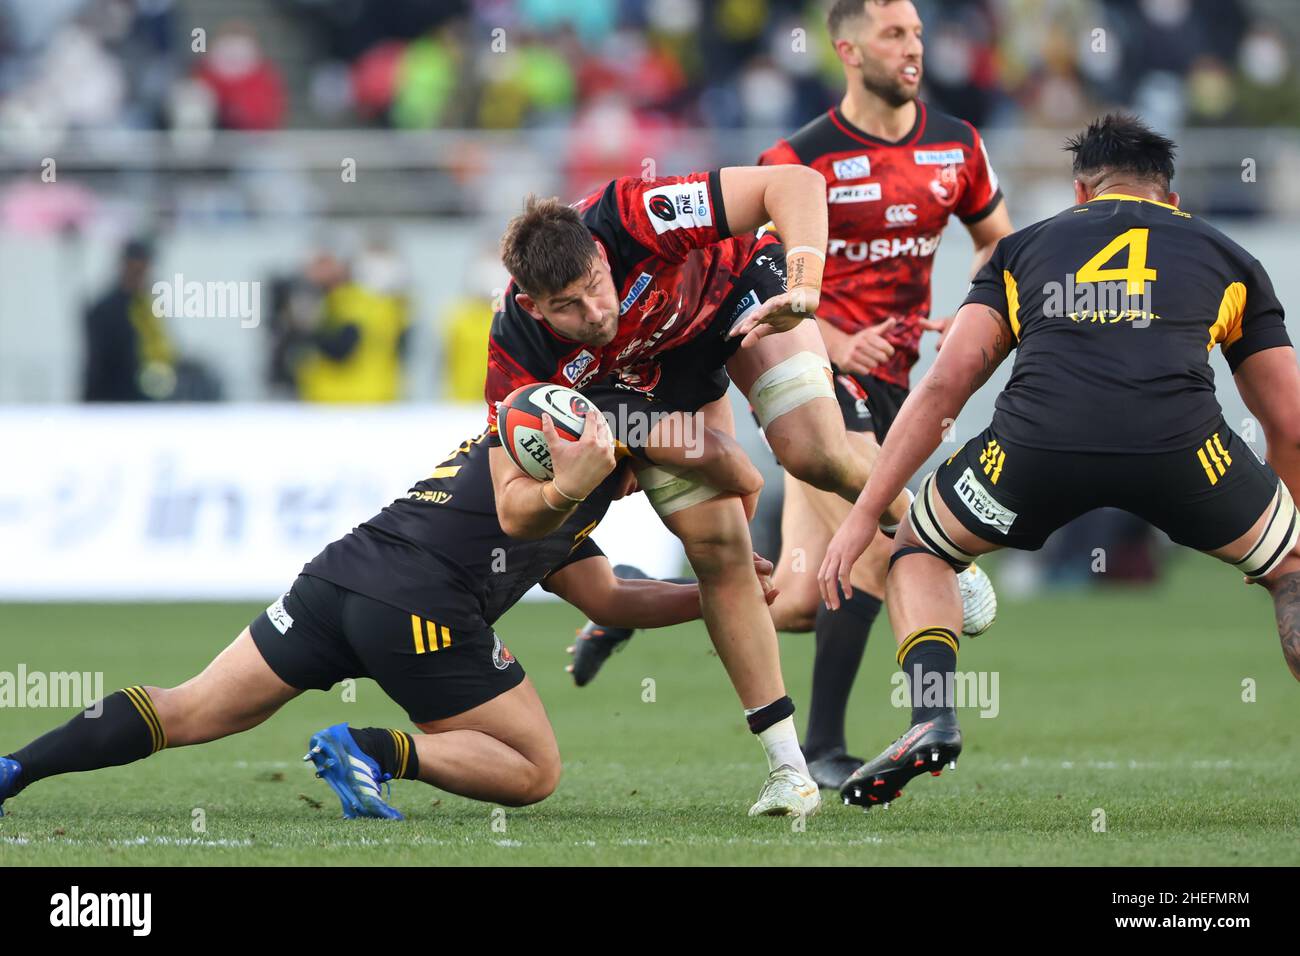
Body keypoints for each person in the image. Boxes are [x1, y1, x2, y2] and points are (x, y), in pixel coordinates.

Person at [568, 0, 1011, 790]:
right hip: (826, 376)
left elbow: (998, 244)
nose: (913, 49)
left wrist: (982, 308)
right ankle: (899, 724)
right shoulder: (799, 157)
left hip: (903, 379)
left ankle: (633, 596)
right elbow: (761, 290)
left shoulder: (959, 146)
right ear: (846, 48)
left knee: (801, 596)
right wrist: (837, 342)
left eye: (916, 33)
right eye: (893, 35)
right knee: (883, 544)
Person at [819, 113, 1300, 809]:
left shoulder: (1022, 248)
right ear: (1170, 198)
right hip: (1183, 449)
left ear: (1081, 193)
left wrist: (865, 516)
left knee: (919, 549)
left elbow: (947, 385)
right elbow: (1286, 420)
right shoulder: (1227, 257)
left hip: (1035, 448)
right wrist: (1284, 533)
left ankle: (932, 714)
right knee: (1293, 572)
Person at [0, 402, 774, 819]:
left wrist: (722, 594)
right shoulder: (588, 437)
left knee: (192, 709)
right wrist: (741, 482)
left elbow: (608, 598)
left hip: (340, 580)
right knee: (534, 771)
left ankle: (14, 769)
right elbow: (702, 444)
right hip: (421, 608)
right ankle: (371, 749)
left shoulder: (555, 484)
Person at [487, 164, 880, 816]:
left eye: (596, 287)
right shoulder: (515, 351)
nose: (595, 312)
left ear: (600, 254)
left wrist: (807, 284)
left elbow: (797, 184)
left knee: (813, 454)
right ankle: (791, 770)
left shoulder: (632, 213)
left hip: (731, 296)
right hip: (646, 385)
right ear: (532, 306)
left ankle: (935, 532)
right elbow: (511, 506)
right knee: (721, 553)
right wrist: (574, 483)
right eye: (568, 308)